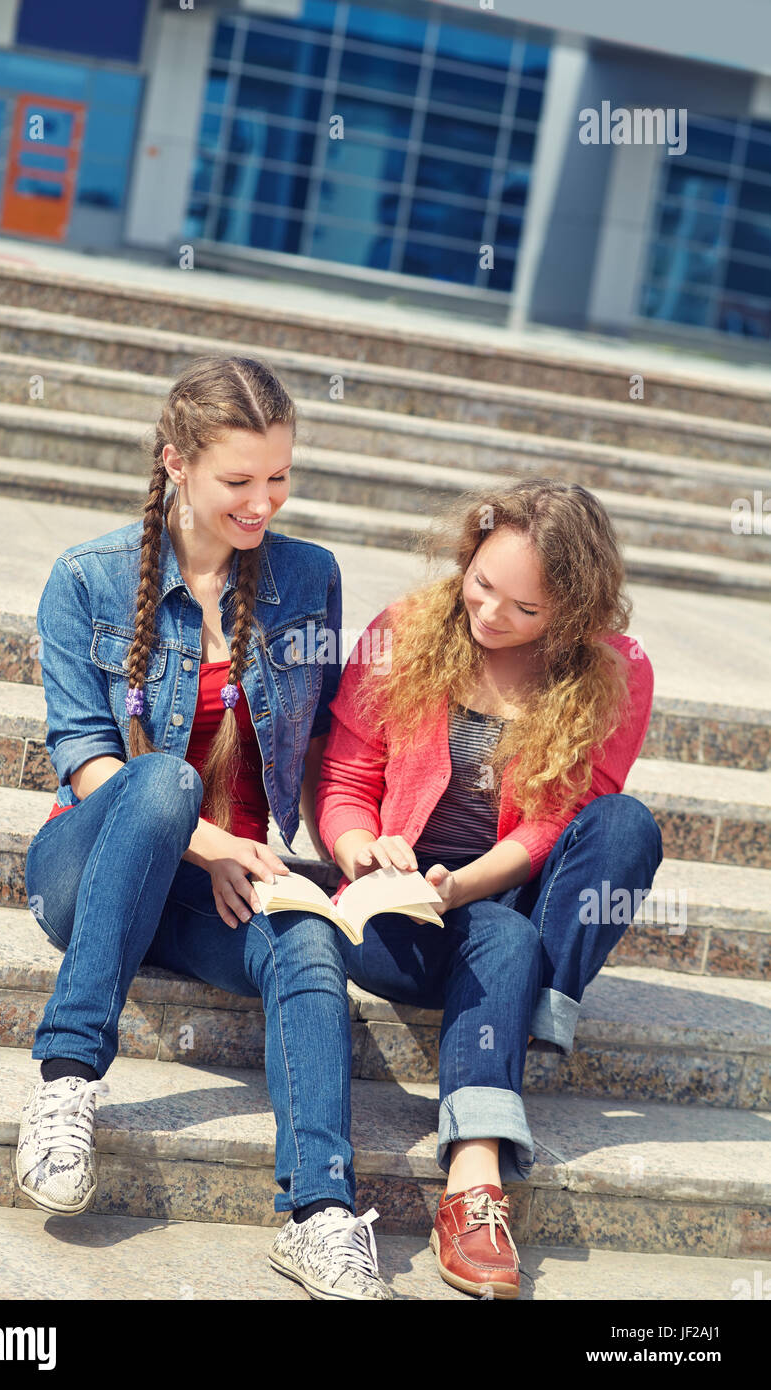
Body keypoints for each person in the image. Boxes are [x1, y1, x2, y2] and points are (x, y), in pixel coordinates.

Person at [19, 355, 392, 1300]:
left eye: (279, 477)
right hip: (93, 863)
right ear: (176, 462)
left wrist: (352, 850)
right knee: (158, 784)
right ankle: (65, 1080)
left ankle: (320, 1216)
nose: (262, 501)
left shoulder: (310, 578)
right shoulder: (87, 579)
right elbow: (85, 758)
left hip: (223, 888)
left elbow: (318, 741)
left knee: (308, 943)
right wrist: (212, 840)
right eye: (238, 481)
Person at [314, 478, 663, 1299]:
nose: (492, 616)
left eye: (525, 610)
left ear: (574, 615)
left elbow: (556, 823)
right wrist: (362, 848)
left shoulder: (615, 671)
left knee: (625, 826)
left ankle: (532, 1007)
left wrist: (461, 884)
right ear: (466, 557)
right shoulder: (406, 629)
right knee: (500, 941)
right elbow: (343, 774)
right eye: (482, 585)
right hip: (398, 909)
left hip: (500, 894)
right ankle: (475, 1187)